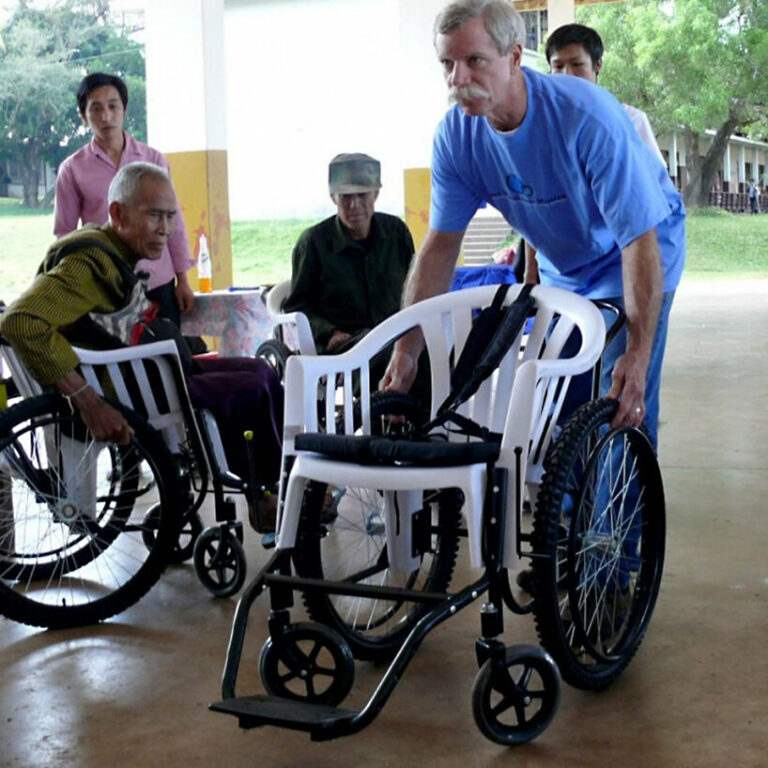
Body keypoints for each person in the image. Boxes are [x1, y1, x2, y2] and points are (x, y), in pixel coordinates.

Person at [381, 0, 686, 454]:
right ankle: (566, 514)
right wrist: (407, 351)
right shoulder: (456, 138)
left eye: (474, 61)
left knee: (621, 395)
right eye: (447, 63)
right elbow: (440, 248)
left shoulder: (586, 118)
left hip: (638, 249)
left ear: (515, 57)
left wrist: (638, 356)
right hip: (566, 265)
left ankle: (620, 521)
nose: (456, 79)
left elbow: (638, 240)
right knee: (558, 399)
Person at [1, 162, 283, 532]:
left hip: (151, 370)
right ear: (117, 213)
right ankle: (265, 492)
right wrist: (88, 401)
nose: (164, 228)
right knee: (247, 389)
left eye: (170, 216)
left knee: (261, 371)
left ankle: (278, 484)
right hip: (128, 385)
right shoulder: (88, 263)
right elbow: (20, 321)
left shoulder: (112, 254)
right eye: (154, 215)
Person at [54, 73, 195, 327]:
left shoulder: (153, 160)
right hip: (107, 288)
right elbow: (65, 236)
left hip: (158, 282)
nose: (106, 116)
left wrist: (182, 279)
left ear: (125, 108)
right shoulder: (72, 169)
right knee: (118, 362)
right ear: (83, 116)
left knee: (169, 358)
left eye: (112, 106)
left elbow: (174, 221)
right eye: (95, 109)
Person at [284, 153, 415, 354]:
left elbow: (414, 286)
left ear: (375, 194)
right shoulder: (313, 244)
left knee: (434, 356)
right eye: (345, 197)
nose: (354, 205)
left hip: (394, 336)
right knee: (384, 356)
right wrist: (330, 332)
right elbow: (297, 306)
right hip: (345, 345)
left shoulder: (396, 233)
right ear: (333, 197)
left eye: (362, 195)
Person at [545, 23, 666, 165]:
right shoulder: (545, 124)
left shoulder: (631, 120)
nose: (567, 74)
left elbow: (657, 182)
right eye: (558, 67)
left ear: (597, 65)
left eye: (577, 64)